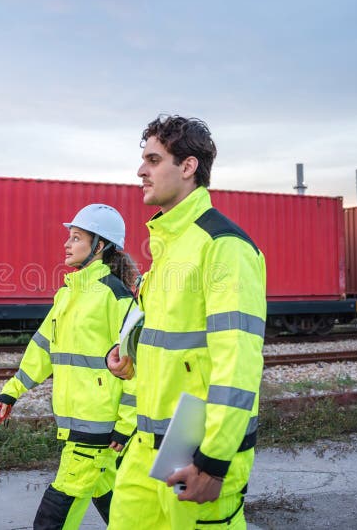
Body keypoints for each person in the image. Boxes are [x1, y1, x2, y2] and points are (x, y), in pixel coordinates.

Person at [107, 115, 267, 529]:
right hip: (146, 452)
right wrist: (131, 358)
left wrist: (213, 463)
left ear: (188, 166)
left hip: (195, 454)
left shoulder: (223, 247)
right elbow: (177, 345)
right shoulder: (170, 247)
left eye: (153, 159)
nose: (141, 170)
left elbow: (238, 365)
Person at [0, 203, 139, 530]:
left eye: (76, 238)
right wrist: (9, 394)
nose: (66, 245)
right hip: (76, 419)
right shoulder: (67, 295)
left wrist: (127, 423)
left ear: (99, 246)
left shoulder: (116, 296)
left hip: (98, 423)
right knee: (113, 497)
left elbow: (136, 365)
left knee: (57, 508)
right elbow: (42, 348)